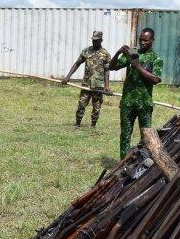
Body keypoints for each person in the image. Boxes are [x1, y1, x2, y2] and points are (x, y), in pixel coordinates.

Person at [110, 28, 163, 159]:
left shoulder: (156, 58)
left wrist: (138, 67)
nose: (142, 42)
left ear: (152, 40)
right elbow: (112, 67)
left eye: (146, 40)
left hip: (144, 104)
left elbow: (156, 80)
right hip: (127, 102)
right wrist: (118, 52)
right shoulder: (133, 53)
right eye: (141, 40)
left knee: (146, 136)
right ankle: (123, 163)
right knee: (125, 134)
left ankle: (143, 162)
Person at [62, 30, 111, 128]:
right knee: (81, 104)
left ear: (101, 40)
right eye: (93, 40)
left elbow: (106, 71)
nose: (94, 42)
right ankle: (77, 123)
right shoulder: (86, 51)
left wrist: (106, 86)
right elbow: (77, 63)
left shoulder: (105, 54)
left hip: (98, 85)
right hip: (86, 83)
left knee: (96, 106)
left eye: (96, 40)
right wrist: (68, 77)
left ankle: (93, 126)